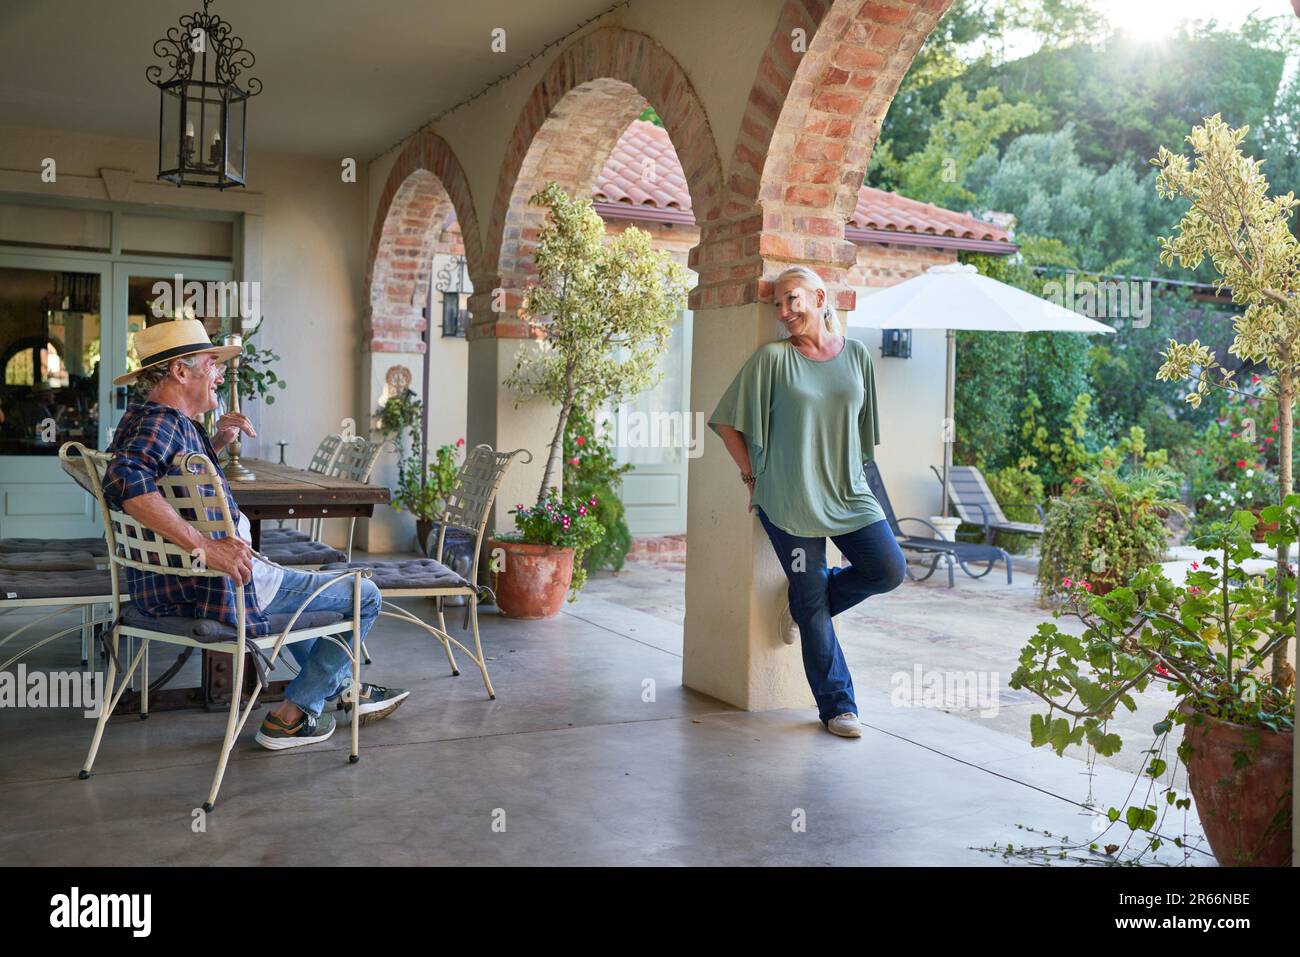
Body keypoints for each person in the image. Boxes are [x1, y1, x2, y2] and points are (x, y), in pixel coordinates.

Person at [100, 318, 407, 751]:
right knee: (366, 595)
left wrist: (216, 444)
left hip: (179, 587)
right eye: (212, 363)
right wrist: (207, 548)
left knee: (310, 606)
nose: (221, 374)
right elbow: (125, 481)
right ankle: (293, 714)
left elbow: (162, 477)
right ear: (180, 372)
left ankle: (340, 689)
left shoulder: (151, 421)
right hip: (219, 588)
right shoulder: (162, 425)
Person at [708, 267, 907, 738]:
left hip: (848, 490)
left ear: (820, 297)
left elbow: (862, 436)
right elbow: (725, 423)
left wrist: (858, 481)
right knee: (812, 589)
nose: (783, 313)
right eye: (777, 304)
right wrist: (752, 477)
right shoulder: (773, 360)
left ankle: (803, 606)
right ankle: (838, 706)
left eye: (791, 300)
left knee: (888, 569)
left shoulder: (857, 355)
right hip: (789, 494)